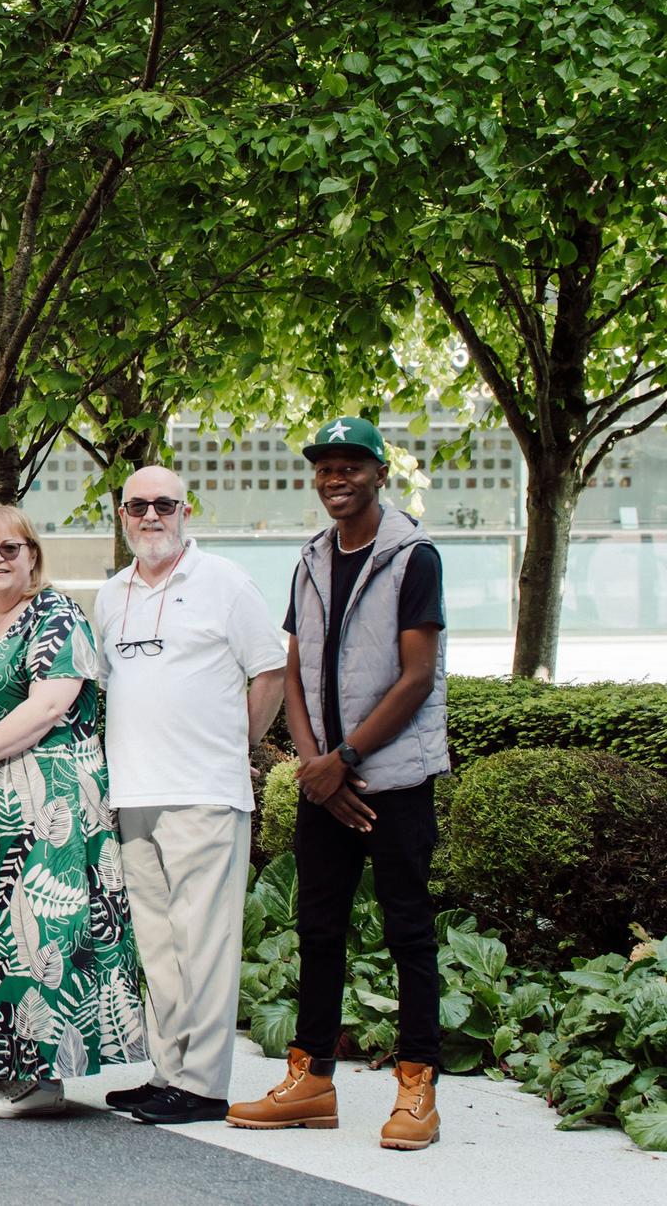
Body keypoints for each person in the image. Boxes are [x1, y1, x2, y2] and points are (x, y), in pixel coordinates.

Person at [228, 417, 449, 1151]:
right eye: (325, 467)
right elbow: (295, 668)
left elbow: (417, 677)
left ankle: (417, 1087)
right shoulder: (312, 558)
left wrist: (345, 759)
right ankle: (311, 1080)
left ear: (380, 474)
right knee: (317, 929)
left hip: (394, 779)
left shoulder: (413, 557)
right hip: (327, 779)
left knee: (408, 929)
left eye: (352, 465)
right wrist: (315, 766)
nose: (335, 478)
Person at [0, 504, 143, 1118]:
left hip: (45, 800)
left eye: (9, 548)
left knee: (39, 932)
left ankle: (42, 1080)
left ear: (32, 554)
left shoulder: (56, 615)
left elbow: (49, 705)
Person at [94, 468, 285, 1124]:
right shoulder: (110, 593)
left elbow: (269, 672)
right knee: (158, 942)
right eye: (138, 506)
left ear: (186, 510)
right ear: (122, 516)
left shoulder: (226, 584)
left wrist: (237, 747)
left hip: (204, 790)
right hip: (132, 791)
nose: (152, 516)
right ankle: (167, 1072)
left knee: (202, 941)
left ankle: (201, 1085)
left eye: (164, 505)